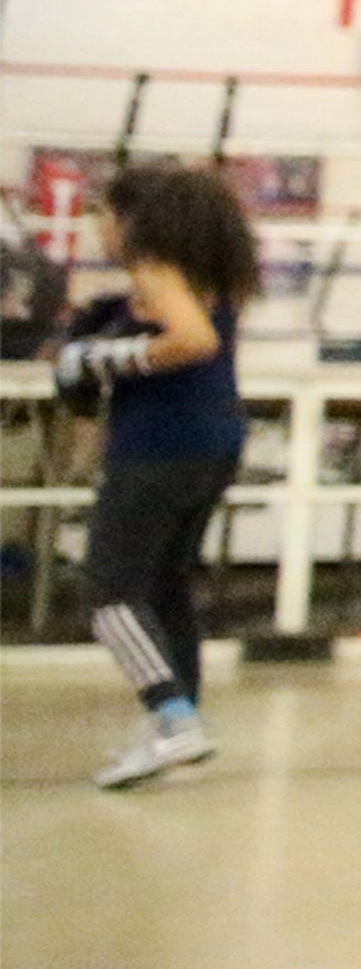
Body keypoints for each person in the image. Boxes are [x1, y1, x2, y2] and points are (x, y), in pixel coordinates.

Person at [58, 161, 261, 788]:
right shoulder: (212, 272)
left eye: (103, 215)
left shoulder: (155, 269)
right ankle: (181, 720)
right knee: (165, 586)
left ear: (133, 219)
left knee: (111, 592)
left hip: (160, 447)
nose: (99, 230)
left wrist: (103, 356)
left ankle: (173, 720)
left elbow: (193, 341)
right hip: (211, 442)